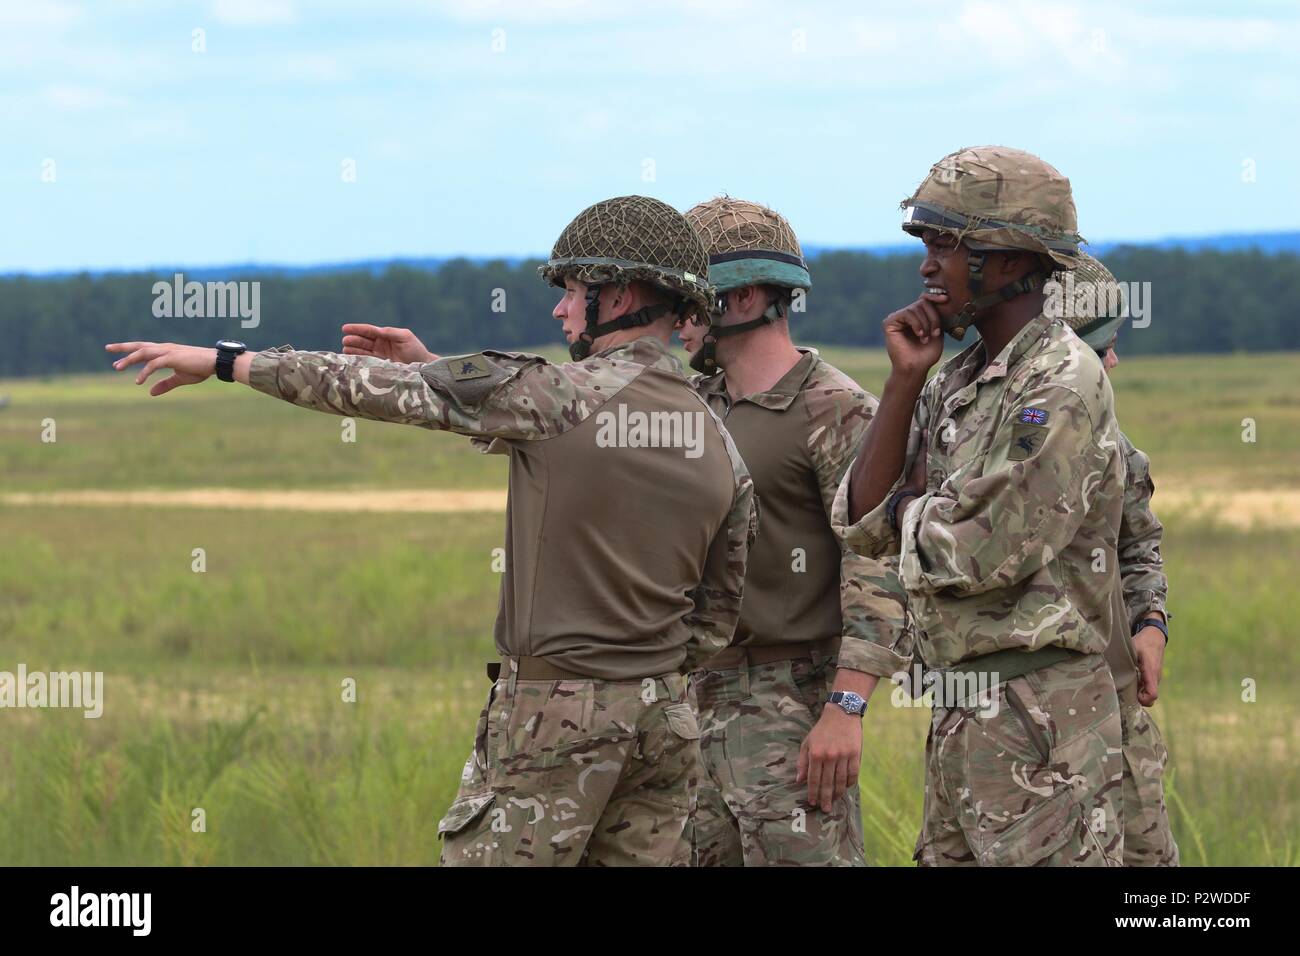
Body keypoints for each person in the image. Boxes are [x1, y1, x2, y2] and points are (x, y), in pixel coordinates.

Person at [106, 194, 756, 867]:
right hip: (667, 719)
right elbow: (716, 616)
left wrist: (228, 362)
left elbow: (363, 386)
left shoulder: (555, 394)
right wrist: (432, 366)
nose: (560, 310)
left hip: (557, 715)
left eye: (570, 291)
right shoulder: (715, 436)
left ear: (618, 297)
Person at [834, 146, 1127, 866]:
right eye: (927, 244)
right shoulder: (955, 377)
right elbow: (861, 522)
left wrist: (912, 512)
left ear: (1008, 259)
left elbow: (983, 548)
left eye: (946, 245)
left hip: (1040, 716)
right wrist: (905, 381)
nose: (927, 266)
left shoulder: (1061, 382)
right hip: (966, 710)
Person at [676, 197, 907, 866]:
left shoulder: (836, 411)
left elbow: (878, 566)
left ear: (743, 296)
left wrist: (845, 708)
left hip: (793, 708)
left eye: (691, 303)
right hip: (697, 703)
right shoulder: (696, 406)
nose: (678, 324)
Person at [1056, 252, 1179, 866]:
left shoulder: (1119, 451)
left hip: (1117, 702)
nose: (1114, 361)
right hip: (1026, 718)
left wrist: (1151, 623)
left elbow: (1139, 545)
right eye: (1103, 347)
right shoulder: (973, 433)